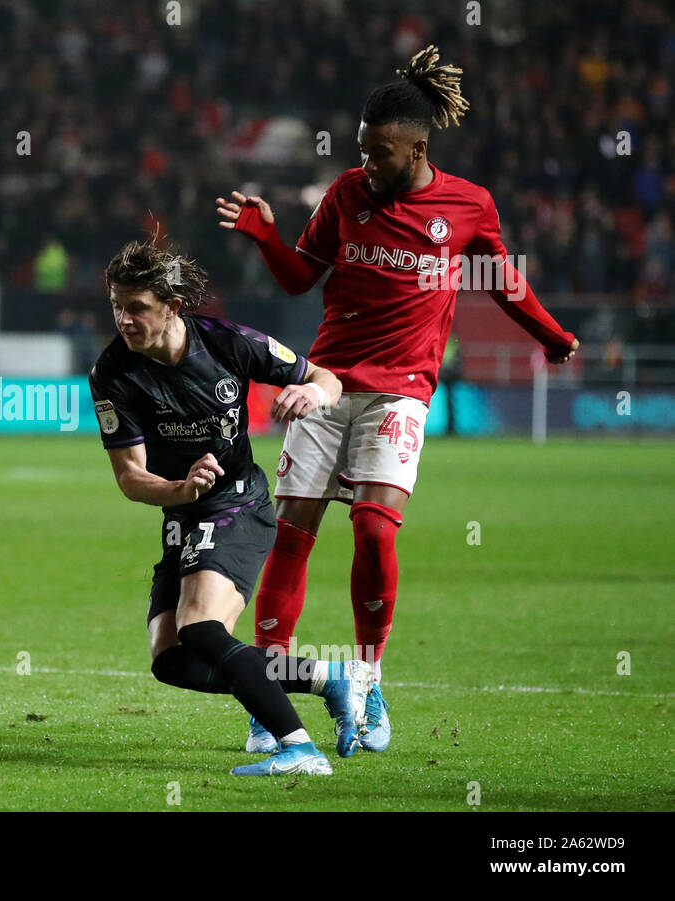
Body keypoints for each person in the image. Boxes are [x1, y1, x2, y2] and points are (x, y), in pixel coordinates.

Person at [217, 46, 579, 754]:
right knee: (291, 533)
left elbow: (503, 281)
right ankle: (268, 699)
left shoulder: (468, 206)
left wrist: (552, 336)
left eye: (379, 152)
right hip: (324, 380)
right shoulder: (346, 193)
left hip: (402, 389)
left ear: (417, 147)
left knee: (376, 530)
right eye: (361, 149)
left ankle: (369, 676)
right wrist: (264, 236)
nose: (367, 163)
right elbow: (299, 279)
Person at [89, 239, 372, 777]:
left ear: (172, 305)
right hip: (186, 511)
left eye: (137, 307)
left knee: (200, 627)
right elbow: (130, 478)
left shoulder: (227, 343)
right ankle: (329, 677)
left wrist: (313, 396)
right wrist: (181, 492)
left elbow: (325, 378)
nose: (124, 319)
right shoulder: (112, 374)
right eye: (116, 306)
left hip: (238, 504)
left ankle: (298, 749)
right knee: (172, 660)